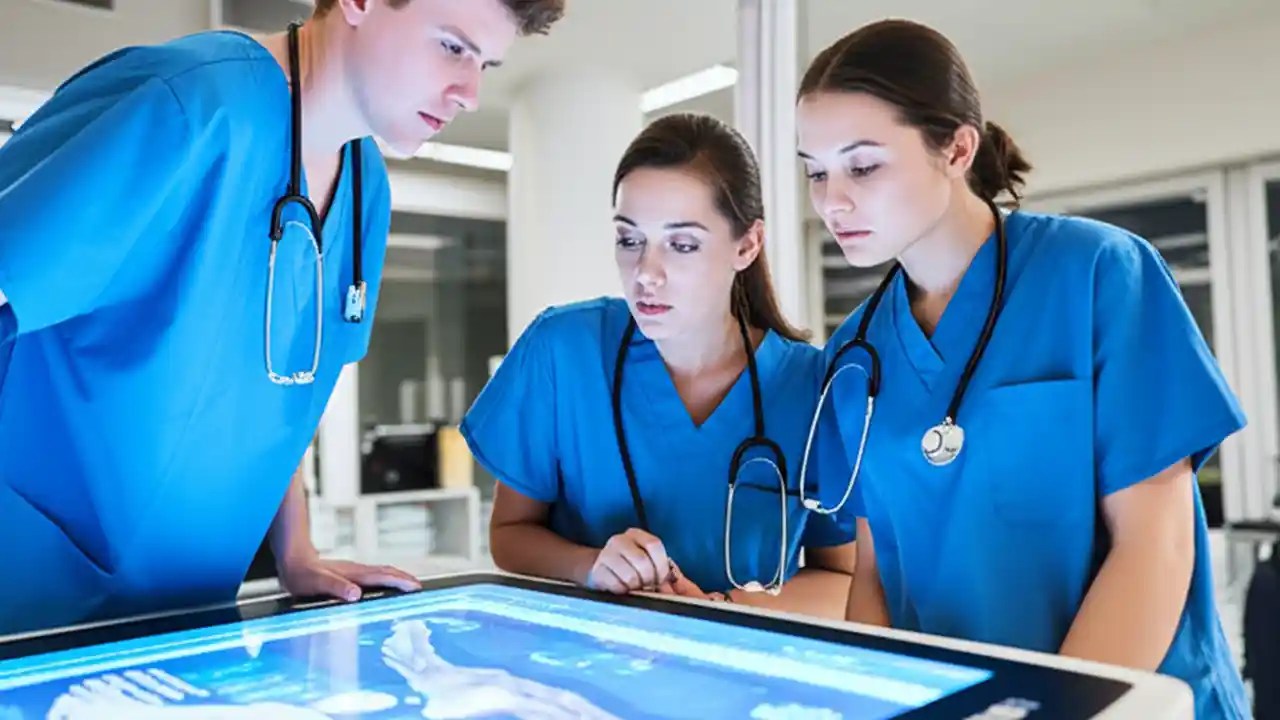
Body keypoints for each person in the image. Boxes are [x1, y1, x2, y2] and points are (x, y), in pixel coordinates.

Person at [0, 0, 565, 637]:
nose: (470, 92)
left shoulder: (365, 187)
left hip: (186, 620)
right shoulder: (186, 103)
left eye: (486, 65)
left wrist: (296, 551)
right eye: (453, 47)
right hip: (26, 606)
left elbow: (282, 391)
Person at [795, 18, 1250, 718]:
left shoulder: (1097, 274)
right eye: (815, 171)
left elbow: (1152, 547)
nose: (832, 200)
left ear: (957, 148)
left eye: (863, 166)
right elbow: (876, 572)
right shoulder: (855, 354)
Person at [463, 113, 856, 618]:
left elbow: (843, 576)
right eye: (630, 240)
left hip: (741, 657)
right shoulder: (562, 350)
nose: (647, 273)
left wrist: (719, 609)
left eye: (682, 244)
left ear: (746, 245)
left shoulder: (812, 388)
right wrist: (589, 566)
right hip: (589, 651)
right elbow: (510, 534)